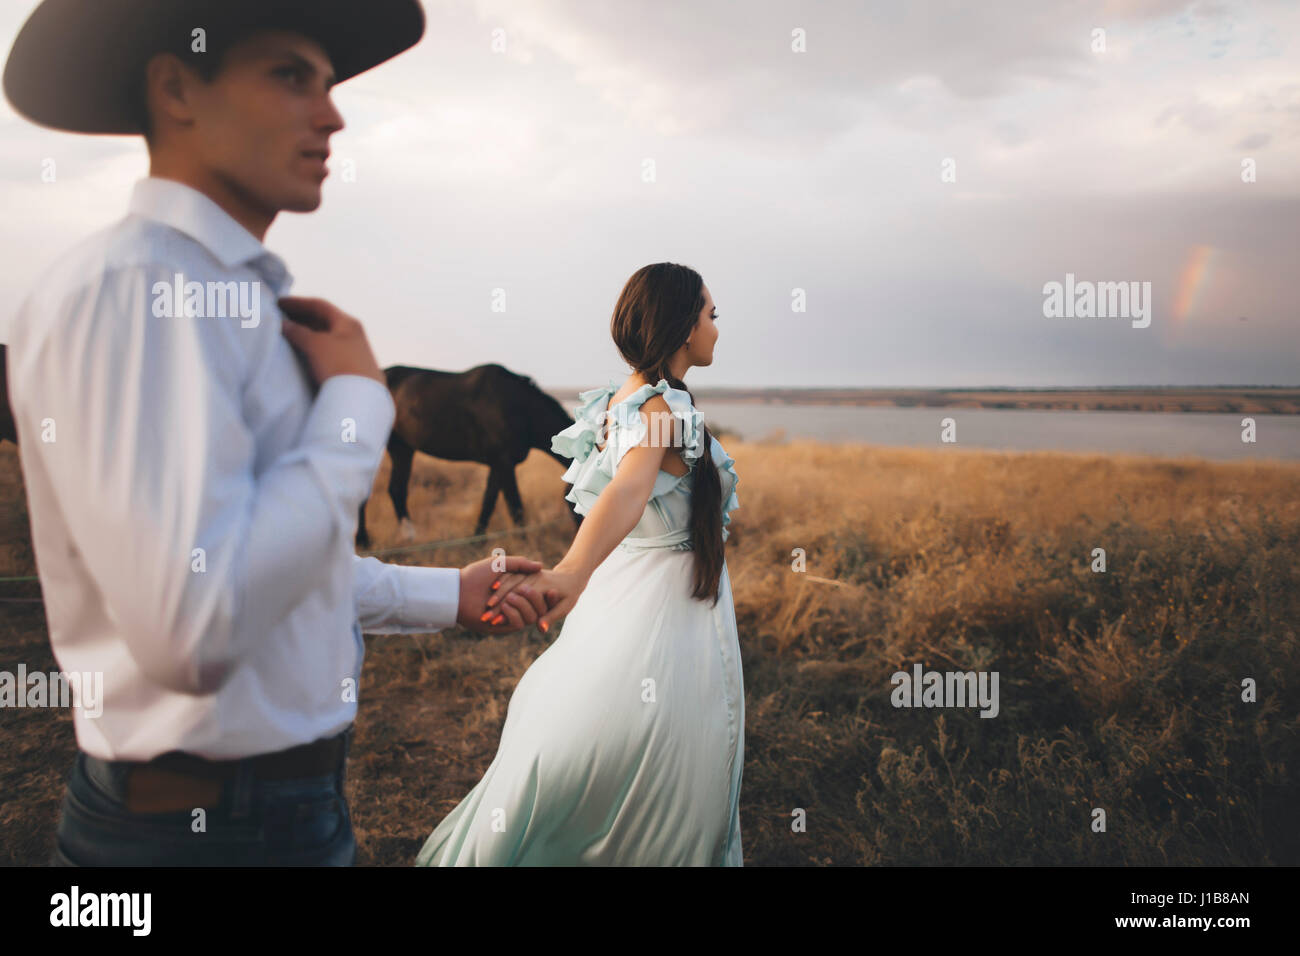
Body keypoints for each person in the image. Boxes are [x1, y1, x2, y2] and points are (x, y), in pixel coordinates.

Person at [3, 0, 552, 866]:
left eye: (330, 84)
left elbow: (271, 564)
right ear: (176, 87)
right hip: (199, 829)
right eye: (292, 75)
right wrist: (359, 407)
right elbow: (197, 623)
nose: (333, 113)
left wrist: (453, 594)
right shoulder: (136, 294)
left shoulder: (227, 303)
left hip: (271, 811)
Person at [416, 262, 744, 866]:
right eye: (711, 316)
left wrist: (582, 574)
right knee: (678, 757)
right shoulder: (658, 410)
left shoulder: (622, 400)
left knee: (627, 732)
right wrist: (571, 569)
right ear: (682, 328)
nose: (718, 329)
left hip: (630, 592)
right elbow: (626, 492)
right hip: (662, 605)